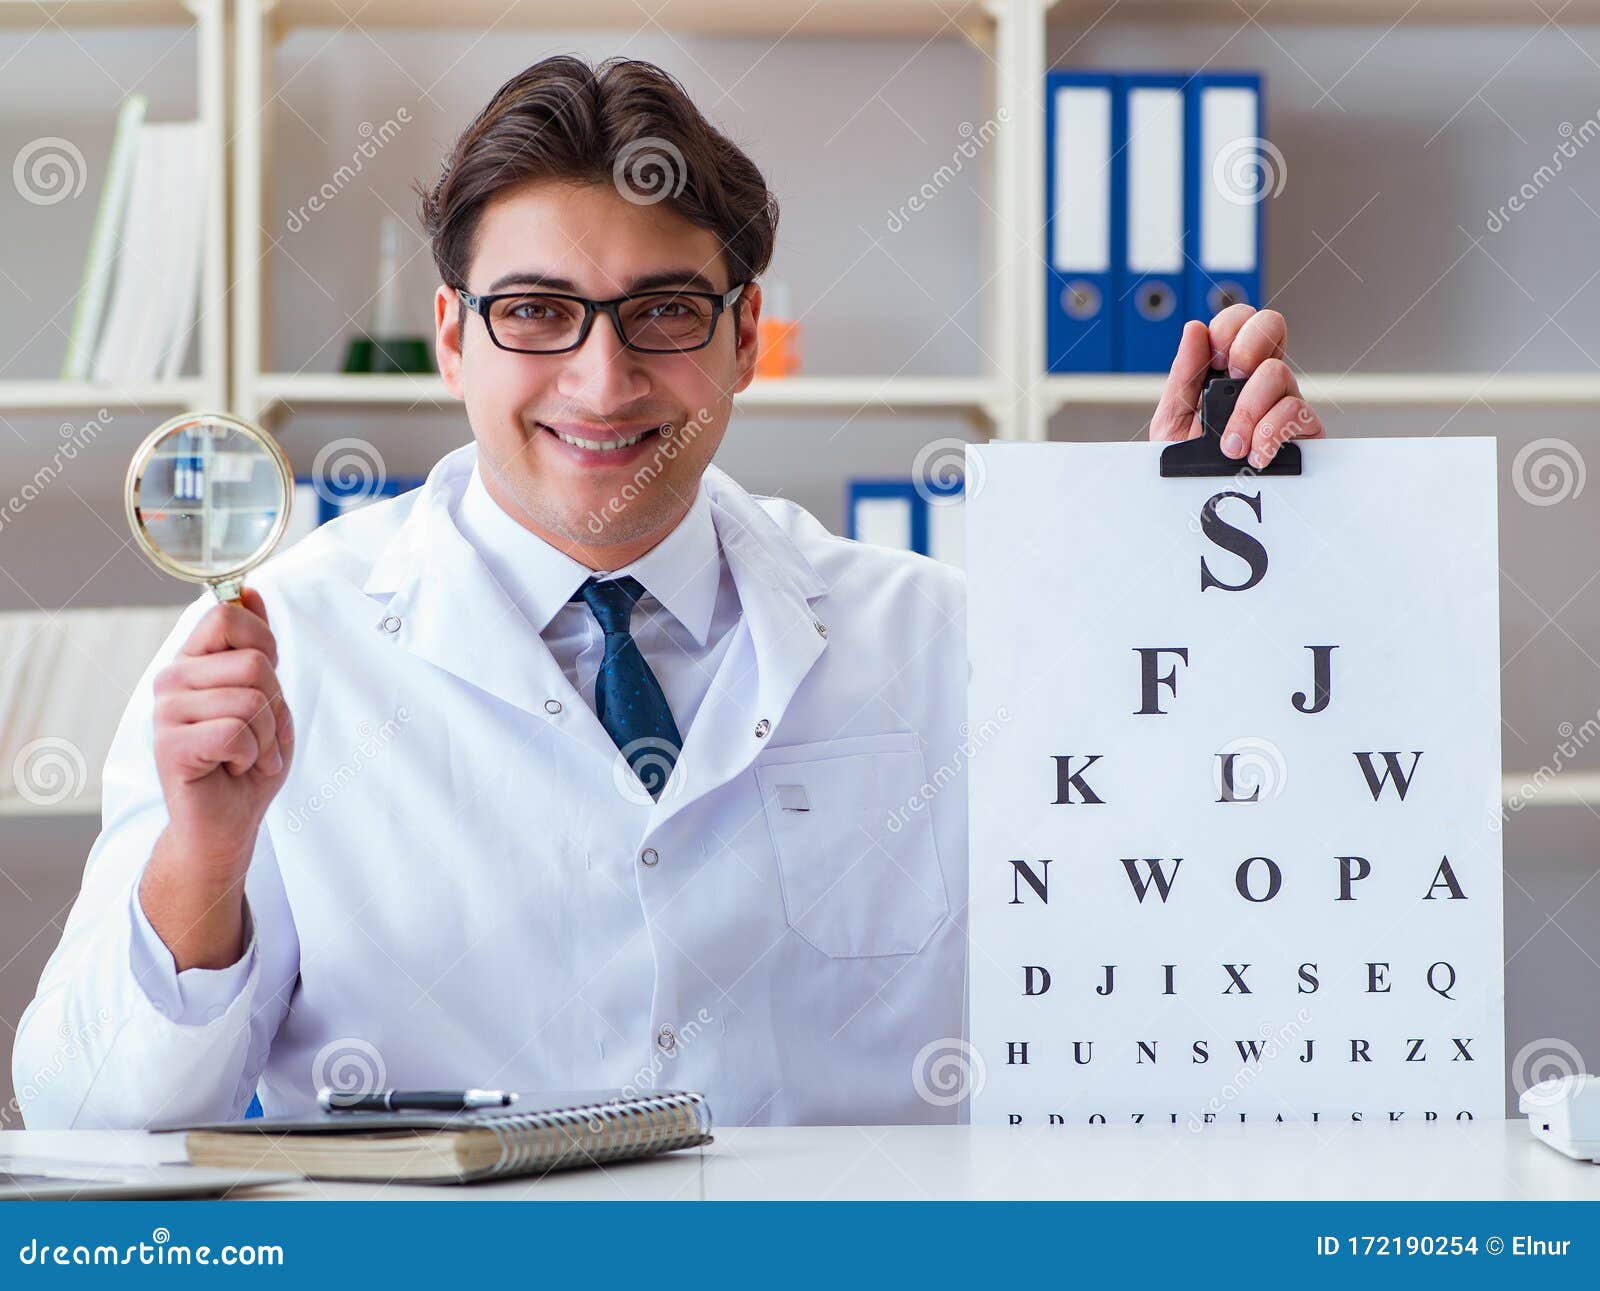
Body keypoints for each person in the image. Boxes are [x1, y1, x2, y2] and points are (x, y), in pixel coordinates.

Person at [13, 56, 1324, 1129]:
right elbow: (86, 1109)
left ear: (747, 336)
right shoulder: (273, 650)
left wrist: (1204, 587)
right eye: (536, 312)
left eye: (664, 313)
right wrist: (208, 853)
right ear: (455, 337)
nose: (603, 381)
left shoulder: (937, 637)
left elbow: (1189, 963)